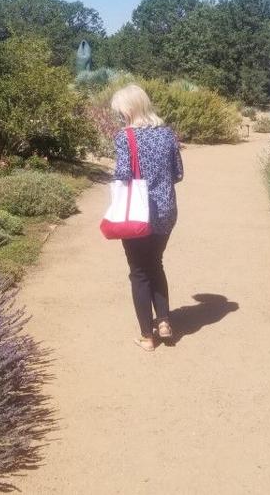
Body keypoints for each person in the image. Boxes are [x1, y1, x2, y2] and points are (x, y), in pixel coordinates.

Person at [110, 83, 184, 352]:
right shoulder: (167, 134)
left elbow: (123, 175)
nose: (119, 116)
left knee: (139, 272)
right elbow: (178, 174)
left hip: (136, 214)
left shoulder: (125, 138)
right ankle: (164, 322)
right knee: (156, 264)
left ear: (129, 110)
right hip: (165, 210)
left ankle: (146, 336)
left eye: (120, 111)